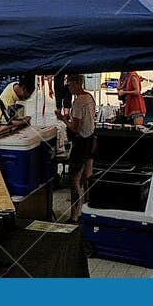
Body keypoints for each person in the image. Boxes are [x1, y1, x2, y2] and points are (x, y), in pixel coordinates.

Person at [58, 73, 97, 220]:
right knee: (87, 178)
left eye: (69, 85)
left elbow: (75, 128)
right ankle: (88, 211)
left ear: (75, 84)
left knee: (74, 180)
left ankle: (75, 215)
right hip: (91, 140)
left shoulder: (79, 102)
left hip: (81, 143)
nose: (68, 88)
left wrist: (63, 119)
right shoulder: (90, 98)